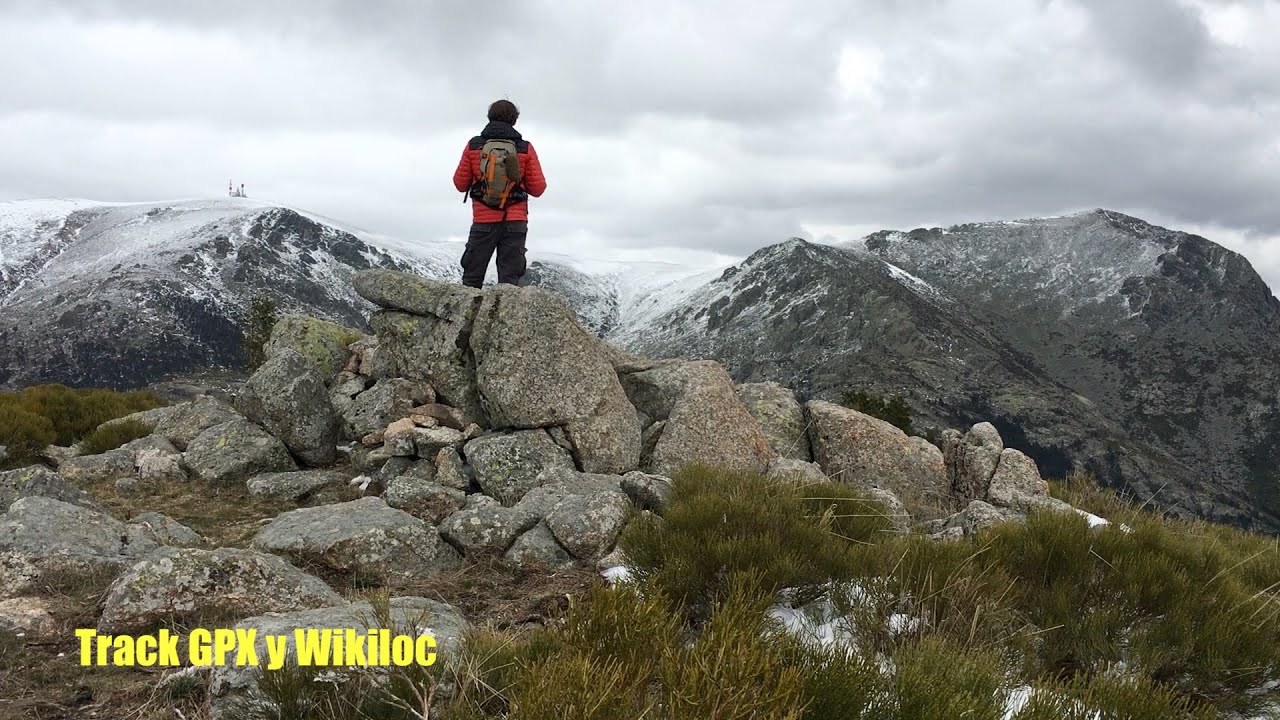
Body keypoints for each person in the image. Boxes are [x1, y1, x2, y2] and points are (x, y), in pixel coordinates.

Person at [452, 99, 547, 288]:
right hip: (515, 222)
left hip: (483, 221)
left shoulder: (474, 146)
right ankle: (505, 317)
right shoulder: (524, 148)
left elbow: (460, 184)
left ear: (489, 117)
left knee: (472, 277)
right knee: (509, 282)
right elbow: (538, 189)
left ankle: (467, 316)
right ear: (515, 120)